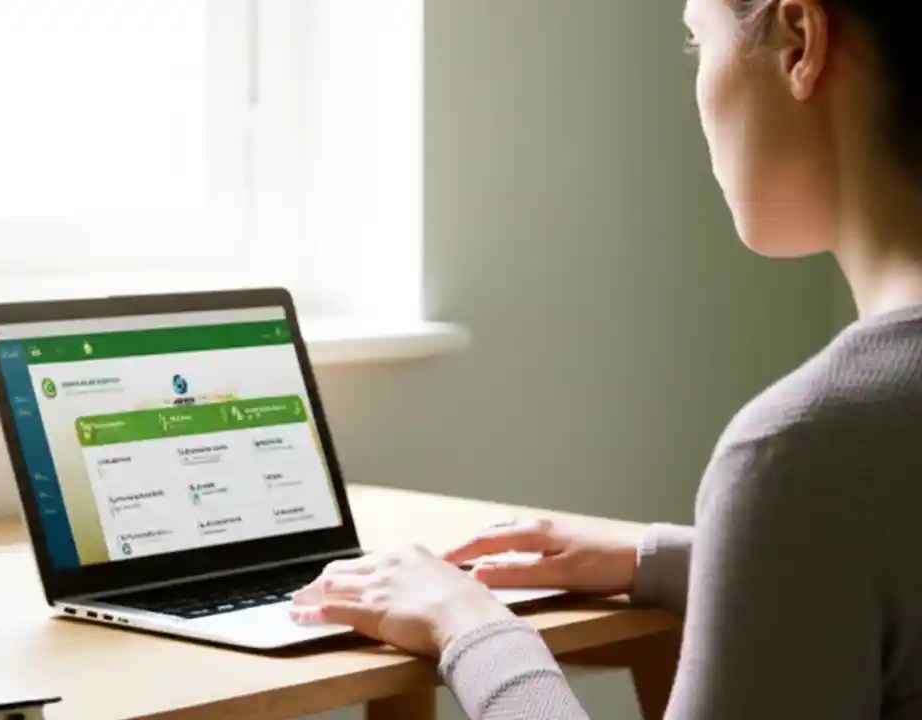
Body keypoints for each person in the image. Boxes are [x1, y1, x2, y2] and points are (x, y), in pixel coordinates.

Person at [290, 0, 922, 716]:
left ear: (800, 44)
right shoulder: (841, 468)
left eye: (696, 41)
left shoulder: (804, 455)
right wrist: (681, 556)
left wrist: (474, 629)